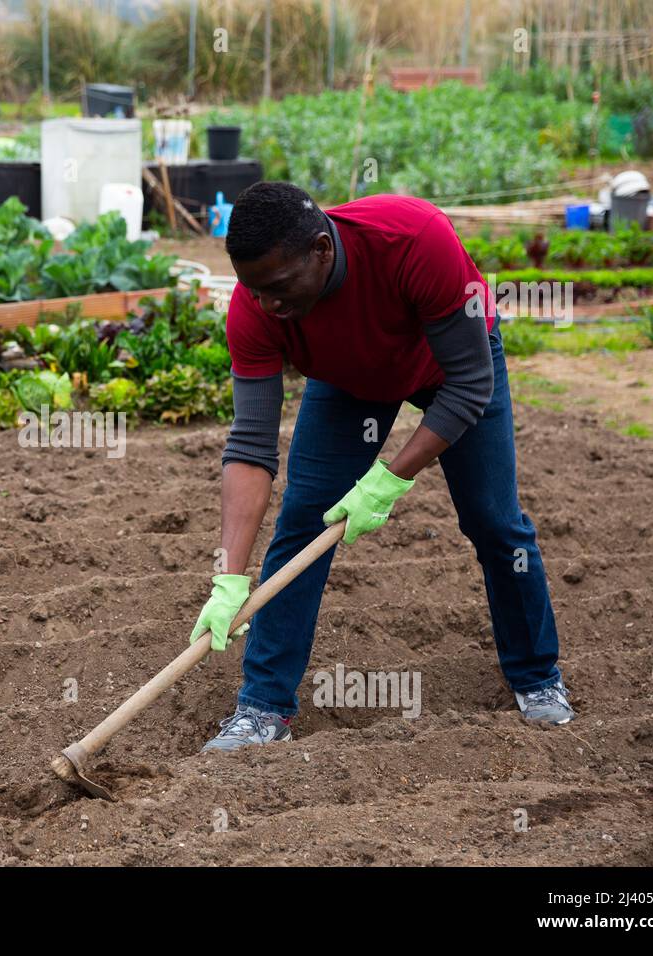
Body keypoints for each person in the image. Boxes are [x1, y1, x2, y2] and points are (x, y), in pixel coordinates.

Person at [190, 182, 573, 754]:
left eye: (277, 287)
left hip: (451, 369)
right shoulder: (255, 306)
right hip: (351, 382)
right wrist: (230, 575)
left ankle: (538, 676)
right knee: (304, 524)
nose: (267, 304)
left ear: (322, 249)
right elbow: (250, 445)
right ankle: (263, 707)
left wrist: (390, 478)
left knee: (495, 522)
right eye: (253, 289)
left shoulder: (415, 240)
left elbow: (469, 385)